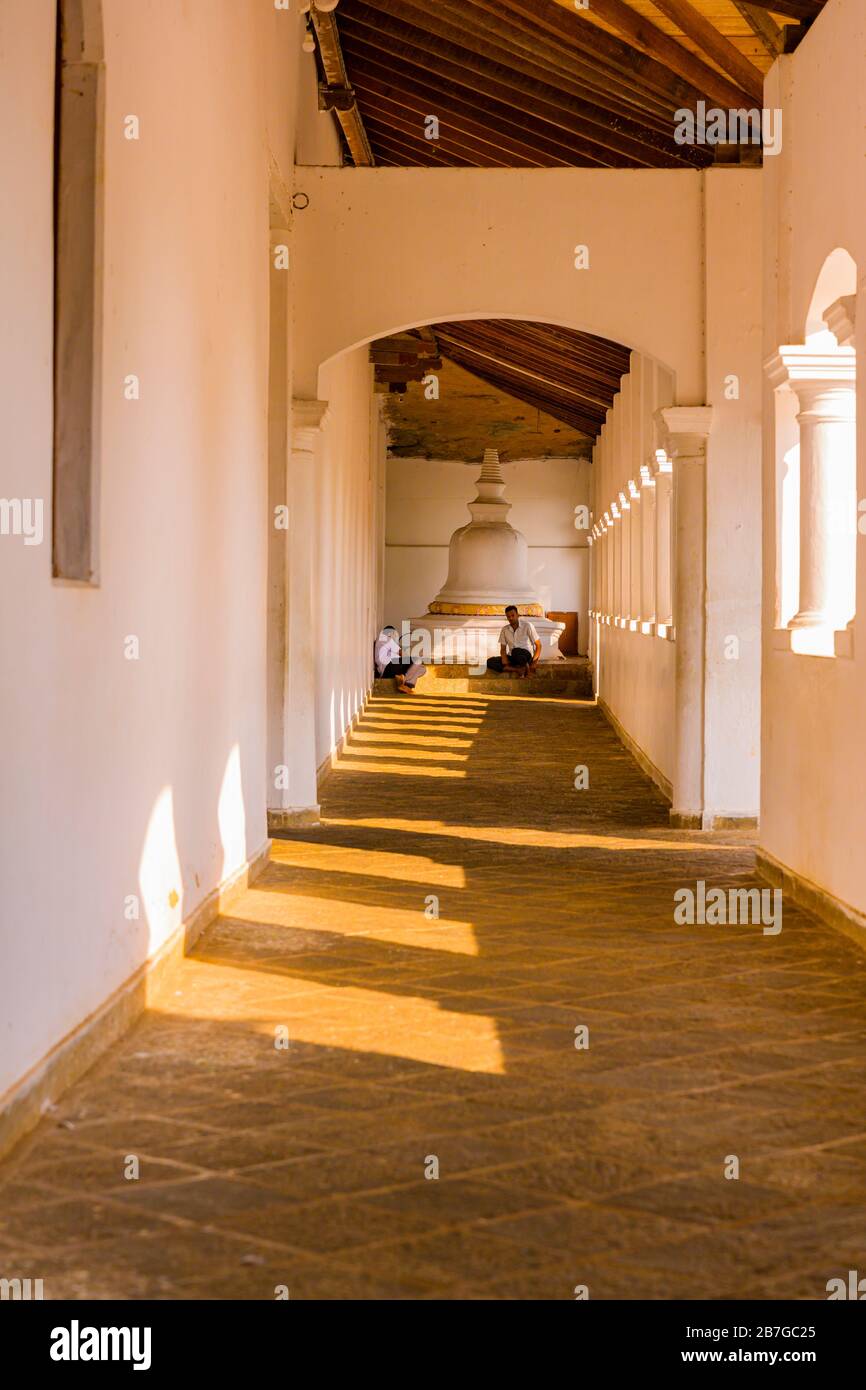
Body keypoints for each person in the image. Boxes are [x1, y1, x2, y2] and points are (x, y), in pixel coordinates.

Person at [487, 605, 541, 678]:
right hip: (513, 657)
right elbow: (503, 649)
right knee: (490, 661)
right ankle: (517, 669)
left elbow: (538, 645)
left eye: (513, 615)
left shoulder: (527, 626)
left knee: (516, 651)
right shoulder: (505, 629)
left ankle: (525, 668)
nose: (511, 618)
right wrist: (505, 660)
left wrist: (534, 662)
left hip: (525, 656)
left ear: (518, 615)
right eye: (508, 616)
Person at [374, 625, 427, 693]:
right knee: (417, 660)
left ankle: (407, 686)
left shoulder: (382, 641)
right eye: (395, 634)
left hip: (390, 669)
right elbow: (402, 653)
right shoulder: (386, 638)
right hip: (389, 667)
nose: (395, 636)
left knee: (422, 668)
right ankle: (404, 681)